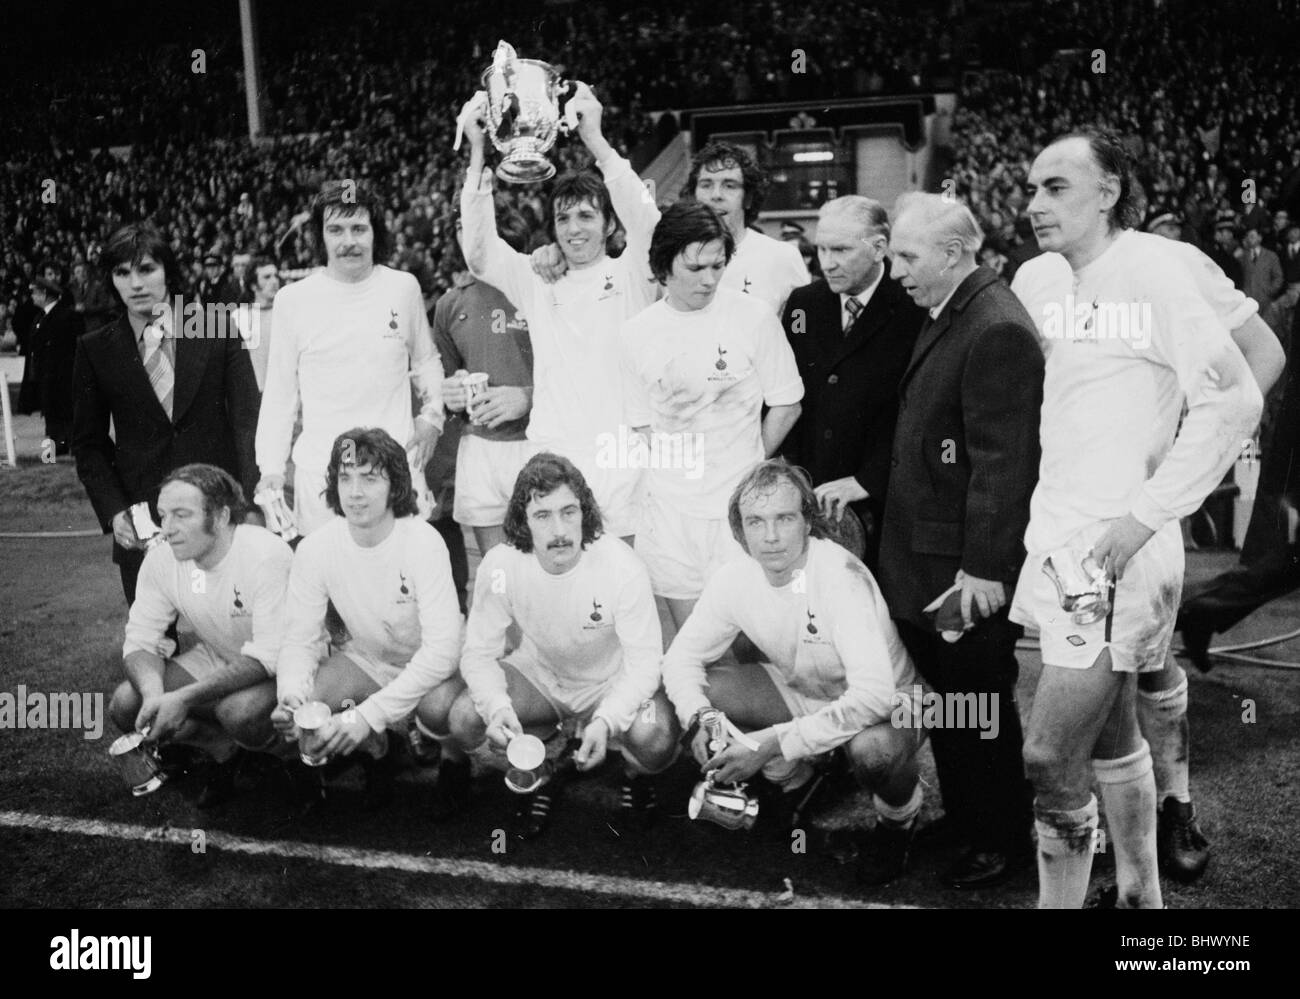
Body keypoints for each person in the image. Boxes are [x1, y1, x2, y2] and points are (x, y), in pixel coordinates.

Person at [1011, 132, 1261, 908]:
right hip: (1051, 542)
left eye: (1056, 187)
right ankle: (1140, 901)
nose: (1033, 204)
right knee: (1110, 737)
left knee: (1049, 755)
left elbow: (1238, 394)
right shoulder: (1042, 279)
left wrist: (1147, 514)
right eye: (1030, 188)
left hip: (1110, 554)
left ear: (1110, 191)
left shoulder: (1154, 269)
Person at [875, 192, 1043, 890]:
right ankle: (972, 817)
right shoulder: (955, 308)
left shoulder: (994, 324)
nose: (898, 272)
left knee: (980, 708)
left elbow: (1004, 465)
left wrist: (981, 569)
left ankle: (1001, 836)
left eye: (908, 258)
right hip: (929, 561)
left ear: (952, 254)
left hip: (959, 572)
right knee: (952, 706)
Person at [662, 459, 923, 886]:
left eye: (784, 518)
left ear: (808, 522)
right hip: (804, 691)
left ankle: (899, 818)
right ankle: (795, 776)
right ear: (739, 530)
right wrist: (700, 721)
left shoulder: (841, 577)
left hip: (892, 703)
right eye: (756, 521)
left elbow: (873, 697)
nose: (770, 535)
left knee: (874, 752)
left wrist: (772, 743)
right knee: (710, 690)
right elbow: (680, 660)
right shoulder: (734, 578)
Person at [440, 453, 675, 839]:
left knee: (656, 735)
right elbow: (479, 653)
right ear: (522, 521)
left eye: (569, 512)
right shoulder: (501, 566)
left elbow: (646, 662)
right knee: (466, 718)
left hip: (609, 683)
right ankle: (543, 762)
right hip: (543, 678)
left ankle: (634, 773)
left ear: (585, 513)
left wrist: (606, 719)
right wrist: (497, 707)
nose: (559, 529)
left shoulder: (620, 564)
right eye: (543, 515)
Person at [458, 86, 657, 541]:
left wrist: (597, 142)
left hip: (620, 455)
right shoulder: (535, 277)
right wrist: (477, 154)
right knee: (559, 581)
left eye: (586, 217)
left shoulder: (633, 274)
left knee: (625, 581)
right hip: (552, 453)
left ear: (609, 224)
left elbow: (647, 222)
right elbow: (479, 254)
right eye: (563, 219)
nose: (573, 229)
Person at [620, 200, 803, 638]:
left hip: (740, 510)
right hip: (669, 514)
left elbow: (787, 403)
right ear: (664, 265)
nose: (709, 279)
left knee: (757, 641)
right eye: (695, 267)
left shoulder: (753, 316)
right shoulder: (635, 333)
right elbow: (642, 423)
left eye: (718, 266)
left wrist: (746, 459)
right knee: (695, 645)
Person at [273, 428, 463, 810]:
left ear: (395, 485)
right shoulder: (315, 548)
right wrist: (290, 694)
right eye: (346, 478)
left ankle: (454, 764)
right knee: (308, 707)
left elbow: (442, 650)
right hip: (371, 658)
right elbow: (300, 639)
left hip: (433, 664)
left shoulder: (423, 541)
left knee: (440, 711)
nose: (355, 492)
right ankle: (379, 751)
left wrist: (368, 715)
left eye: (369, 478)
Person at [72, 222, 260, 605]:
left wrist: (250, 502)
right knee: (157, 644)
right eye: (122, 273)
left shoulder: (216, 326)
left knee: (244, 637)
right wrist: (114, 512)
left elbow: (247, 421)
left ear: (167, 272)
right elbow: (88, 445)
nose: (135, 283)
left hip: (218, 509)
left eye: (146, 269)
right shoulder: (96, 348)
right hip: (144, 518)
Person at [256, 181, 445, 535]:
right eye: (336, 230)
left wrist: (433, 416)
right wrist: (271, 468)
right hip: (322, 477)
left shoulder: (402, 287)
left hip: (395, 468)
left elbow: (426, 360)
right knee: (331, 585)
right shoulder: (293, 300)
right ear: (320, 236)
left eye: (359, 228)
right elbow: (280, 392)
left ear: (376, 232)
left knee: (404, 584)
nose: (349, 241)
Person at [108, 464, 291, 808]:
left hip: (288, 667)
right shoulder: (162, 558)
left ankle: (298, 763)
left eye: (182, 515)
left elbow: (268, 656)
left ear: (221, 517)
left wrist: (184, 698)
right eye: (163, 515)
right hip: (222, 655)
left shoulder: (266, 554)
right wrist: (153, 694)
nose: (167, 528)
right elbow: (140, 640)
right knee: (127, 704)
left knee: (239, 713)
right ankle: (224, 751)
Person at [780, 196, 925, 573]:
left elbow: (922, 412)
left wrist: (868, 480)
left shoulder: (916, 307)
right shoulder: (802, 305)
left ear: (879, 248)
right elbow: (786, 390)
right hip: (813, 497)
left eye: (840, 250)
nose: (826, 262)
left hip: (887, 502)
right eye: (821, 249)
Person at [433, 205, 535, 556]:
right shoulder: (449, 304)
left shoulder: (539, 286)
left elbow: (578, 373)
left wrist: (527, 397)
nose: (469, 234)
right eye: (461, 226)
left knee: (548, 569)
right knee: (497, 570)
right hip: (478, 449)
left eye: (476, 223)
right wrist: (450, 392)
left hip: (539, 442)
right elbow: (445, 381)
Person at [681, 141, 810, 314]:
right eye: (706, 185)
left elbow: (801, 326)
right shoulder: (676, 258)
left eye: (729, 185)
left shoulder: (782, 257)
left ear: (748, 197)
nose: (716, 195)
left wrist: (797, 332)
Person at [29, 275, 84, 456]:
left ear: (44, 294)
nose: (32, 297)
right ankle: (52, 452)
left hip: (63, 376)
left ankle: (67, 448)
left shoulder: (66, 315)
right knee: (51, 415)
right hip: (47, 375)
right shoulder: (41, 317)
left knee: (64, 413)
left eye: (35, 293)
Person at [233, 256, 279, 392]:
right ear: (253, 285)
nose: (274, 281)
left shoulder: (288, 314)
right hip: (253, 395)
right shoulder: (239, 317)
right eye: (267, 277)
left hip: (283, 395)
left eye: (275, 276)